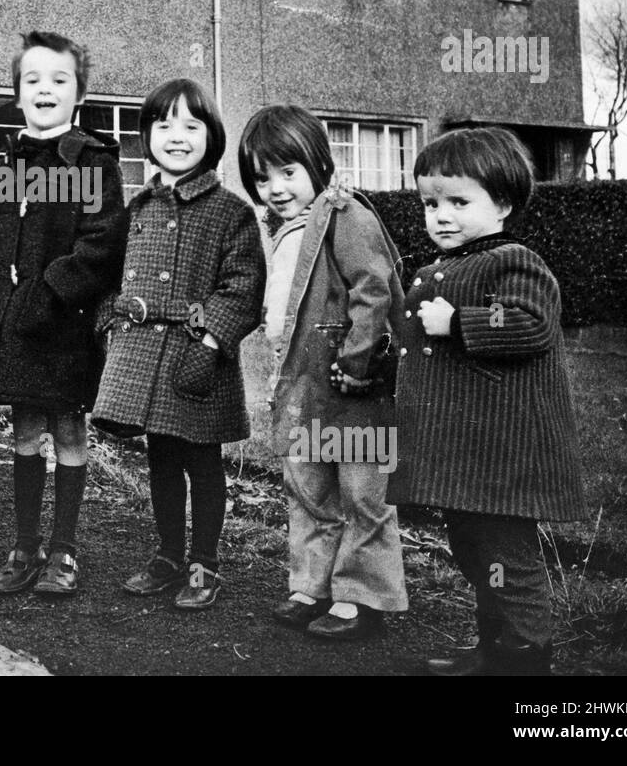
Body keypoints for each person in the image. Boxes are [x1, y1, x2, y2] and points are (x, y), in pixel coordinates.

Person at [391, 126, 586, 676]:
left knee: (507, 556)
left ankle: (527, 657)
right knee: (476, 552)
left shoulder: (513, 261)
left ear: (502, 203)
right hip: (463, 454)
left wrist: (459, 322)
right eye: (431, 203)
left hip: (504, 454)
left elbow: (532, 325)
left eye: (458, 201)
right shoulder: (436, 271)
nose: (441, 215)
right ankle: (493, 648)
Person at [0, 32, 126, 597]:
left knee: (68, 428)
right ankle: (24, 547)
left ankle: (65, 551)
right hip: (16, 320)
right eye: (33, 80)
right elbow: (3, 226)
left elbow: (102, 241)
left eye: (58, 80)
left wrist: (51, 290)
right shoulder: (15, 157)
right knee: (25, 427)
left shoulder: (91, 159)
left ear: (78, 92)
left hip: (63, 320)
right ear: (17, 93)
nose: (45, 90)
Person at [91, 79, 264, 610]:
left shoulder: (230, 211)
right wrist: (108, 325)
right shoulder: (138, 206)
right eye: (163, 125)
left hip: (199, 356)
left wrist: (211, 342)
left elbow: (242, 286)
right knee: (160, 459)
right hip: (143, 356)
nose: (177, 136)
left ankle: (204, 564)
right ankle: (167, 555)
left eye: (191, 126)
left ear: (211, 136)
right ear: (146, 137)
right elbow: (110, 277)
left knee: (203, 463)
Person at [243, 104, 408, 640]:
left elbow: (374, 289)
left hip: (351, 385)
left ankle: (363, 597)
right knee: (309, 486)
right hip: (303, 383)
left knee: (363, 494)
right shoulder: (286, 229)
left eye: (288, 172)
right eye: (262, 177)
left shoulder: (345, 215)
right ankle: (312, 584)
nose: (275, 187)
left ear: (318, 163)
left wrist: (358, 361)